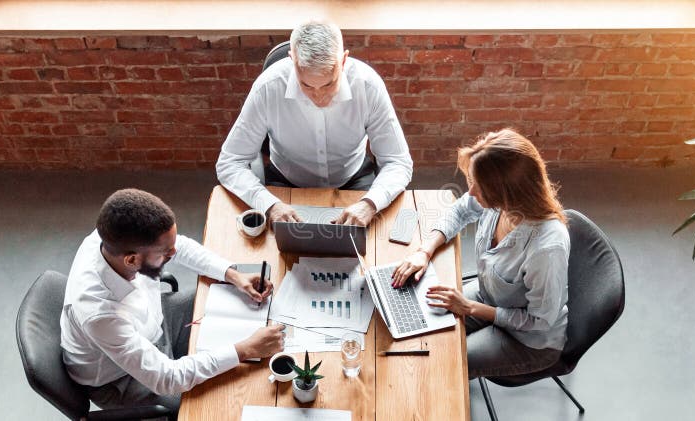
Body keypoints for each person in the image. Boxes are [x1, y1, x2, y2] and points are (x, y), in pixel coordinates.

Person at [60, 188, 285, 413]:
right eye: (166, 253)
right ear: (131, 260)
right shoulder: (100, 314)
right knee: (213, 406)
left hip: (154, 322)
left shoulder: (114, 237)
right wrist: (245, 349)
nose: (174, 252)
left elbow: (179, 248)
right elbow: (168, 378)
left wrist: (232, 274)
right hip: (120, 378)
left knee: (225, 298)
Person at [391, 129, 570, 378]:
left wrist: (472, 308)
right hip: (490, 298)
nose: (472, 192)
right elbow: (461, 210)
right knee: (421, 327)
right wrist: (425, 251)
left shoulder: (546, 248)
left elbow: (540, 321)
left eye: (479, 187)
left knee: (446, 363)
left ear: (508, 191)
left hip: (527, 339)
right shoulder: (500, 202)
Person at [216, 20, 413, 227]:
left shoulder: (368, 86)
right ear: (292, 60)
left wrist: (370, 203)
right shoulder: (267, 87)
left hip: (353, 179)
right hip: (286, 182)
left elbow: (398, 162)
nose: (318, 97)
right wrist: (268, 204)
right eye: (306, 85)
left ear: (344, 61)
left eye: (329, 84)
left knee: (367, 247)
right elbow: (230, 162)